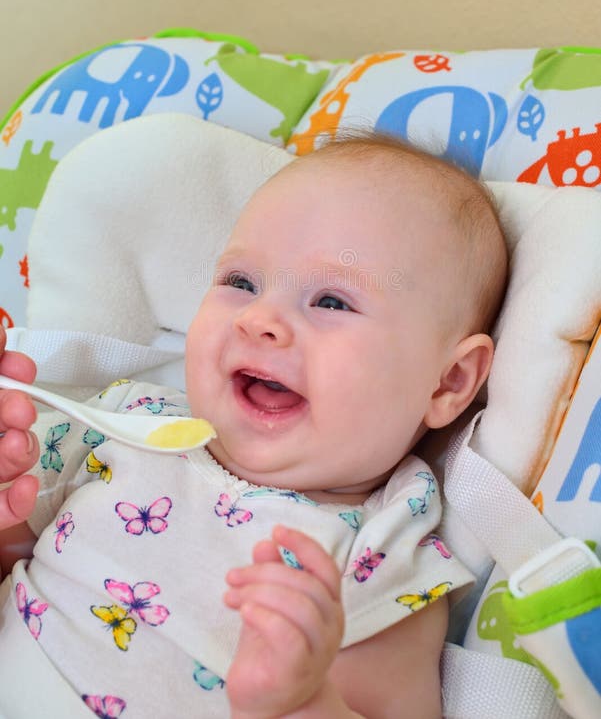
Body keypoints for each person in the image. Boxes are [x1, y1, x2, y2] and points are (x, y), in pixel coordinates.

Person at [0, 135, 508, 719]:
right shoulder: (123, 421)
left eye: (332, 302)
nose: (259, 318)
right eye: (241, 283)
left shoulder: (385, 550)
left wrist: (301, 701)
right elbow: (15, 550)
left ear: (447, 383)